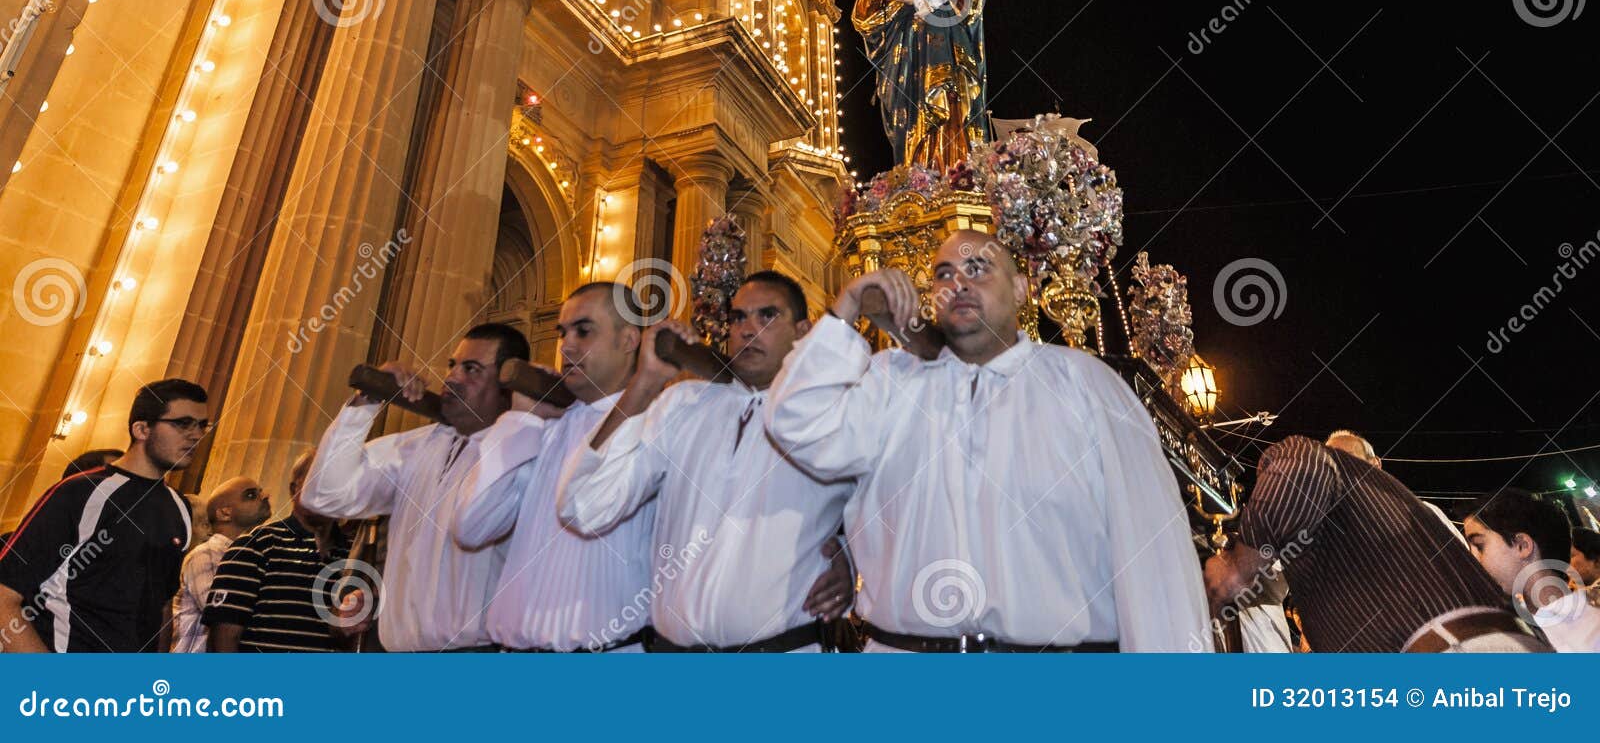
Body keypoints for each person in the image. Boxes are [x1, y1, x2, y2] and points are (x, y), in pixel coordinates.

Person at [766, 230, 1208, 651]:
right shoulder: (888, 381)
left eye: (978, 269)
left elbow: (1154, 559)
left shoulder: (1088, 386)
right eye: (943, 274)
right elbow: (793, 422)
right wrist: (846, 308)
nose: (958, 284)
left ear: (1020, 290)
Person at [559, 272, 856, 651]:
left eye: (767, 316)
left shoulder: (832, 408)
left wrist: (849, 556)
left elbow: (879, 503)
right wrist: (645, 382)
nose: (748, 330)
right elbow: (583, 508)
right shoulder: (683, 403)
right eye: (737, 318)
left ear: (803, 330)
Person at [449, 286, 658, 652]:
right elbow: (472, 525)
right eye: (562, 333)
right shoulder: (543, 427)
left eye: (583, 330)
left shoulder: (652, 424)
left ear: (628, 340)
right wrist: (520, 419)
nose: (566, 346)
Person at [1207, 435, 1546, 652]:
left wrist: (1236, 566)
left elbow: (1303, 460)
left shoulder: (1411, 513)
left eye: (1345, 464)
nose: (1330, 482)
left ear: (1374, 468)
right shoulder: (1316, 537)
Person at [299, 324, 521, 651]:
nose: (453, 378)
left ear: (506, 385)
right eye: (452, 366)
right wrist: (368, 401)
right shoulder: (414, 448)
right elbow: (324, 494)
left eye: (471, 369)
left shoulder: (520, 452)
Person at [0, 380, 206, 652]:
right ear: (142, 429)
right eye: (183, 424)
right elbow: (4, 597)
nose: (196, 435)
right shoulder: (80, 493)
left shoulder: (179, 507)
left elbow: (162, 605)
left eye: (203, 425)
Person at [854, 0, 987, 172]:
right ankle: (915, 176)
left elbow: (970, 1)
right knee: (908, 116)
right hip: (902, 56)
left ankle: (952, 172)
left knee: (944, 99)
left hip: (939, 44)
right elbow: (867, 21)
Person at [204, 451, 349, 652]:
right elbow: (223, 640)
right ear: (294, 489)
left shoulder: (354, 553)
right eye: (318, 477)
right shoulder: (254, 546)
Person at [1465, 490, 1600, 652]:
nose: (1472, 558)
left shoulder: (1592, 633)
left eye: (1479, 545)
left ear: (1522, 545)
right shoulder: (1510, 628)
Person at [171, 475, 271, 652]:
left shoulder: (254, 555)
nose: (265, 496)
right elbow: (224, 616)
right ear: (225, 513)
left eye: (260, 492)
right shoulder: (207, 555)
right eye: (250, 495)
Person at [1324, 429, 1466, 544]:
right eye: (1330, 461)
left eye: (1348, 459)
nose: (1338, 467)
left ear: (1375, 465)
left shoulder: (1423, 515)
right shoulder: (1319, 528)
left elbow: (1464, 566)